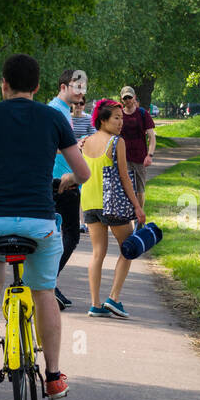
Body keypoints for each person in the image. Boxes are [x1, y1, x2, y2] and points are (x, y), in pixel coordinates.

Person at [0, 54, 90, 400]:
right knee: (43, 293)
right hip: (40, 222)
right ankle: (53, 376)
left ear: (3, 84)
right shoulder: (54, 118)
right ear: (39, 86)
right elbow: (83, 172)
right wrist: (66, 181)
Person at [79, 99, 146, 319]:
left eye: (121, 118)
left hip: (89, 202)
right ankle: (114, 298)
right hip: (112, 203)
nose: (121, 122)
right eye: (116, 118)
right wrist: (137, 207)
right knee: (129, 248)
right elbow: (125, 178)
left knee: (98, 253)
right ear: (102, 120)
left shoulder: (85, 141)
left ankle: (95, 304)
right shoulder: (117, 142)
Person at [48, 70, 88, 309]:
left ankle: (49, 283)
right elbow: (47, 145)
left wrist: (75, 146)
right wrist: (73, 147)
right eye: (77, 87)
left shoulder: (62, 110)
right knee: (68, 235)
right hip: (60, 180)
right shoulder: (55, 110)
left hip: (67, 178)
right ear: (64, 86)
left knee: (64, 235)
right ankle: (47, 284)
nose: (81, 92)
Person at [118, 86, 155, 208]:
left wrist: (149, 155)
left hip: (140, 157)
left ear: (134, 97)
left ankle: (139, 219)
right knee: (126, 187)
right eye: (125, 98)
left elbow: (151, 137)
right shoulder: (119, 115)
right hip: (124, 157)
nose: (128, 100)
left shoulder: (142, 114)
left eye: (130, 97)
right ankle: (129, 216)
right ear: (122, 99)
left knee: (140, 189)